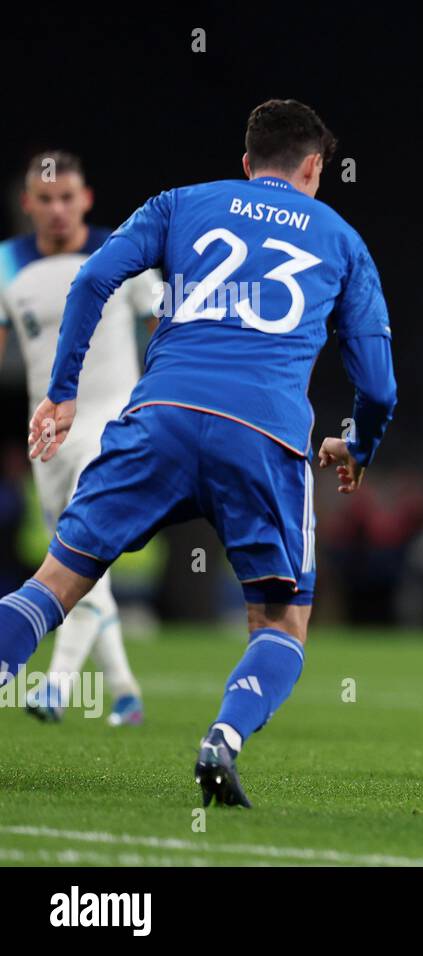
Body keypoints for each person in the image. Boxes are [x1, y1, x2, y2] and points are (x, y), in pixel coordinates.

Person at [0, 99, 397, 808]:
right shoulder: (341, 240)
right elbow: (380, 385)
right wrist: (358, 445)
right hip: (265, 437)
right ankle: (223, 736)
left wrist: (62, 393)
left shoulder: (182, 202)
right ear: (313, 168)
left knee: (55, 583)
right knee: (281, 619)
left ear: (247, 164)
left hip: (159, 418)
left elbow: (91, 279)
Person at [0, 150, 157, 725]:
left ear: (85, 199)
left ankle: (55, 685)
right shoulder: (5, 265)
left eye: (68, 197)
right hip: (47, 436)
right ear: (28, 205)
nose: (58, 210)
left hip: (112, 428)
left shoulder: (125, 252)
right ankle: (124, 691)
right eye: (45, 199)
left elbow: (164, 333)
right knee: (72, 566)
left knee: (77, 554)